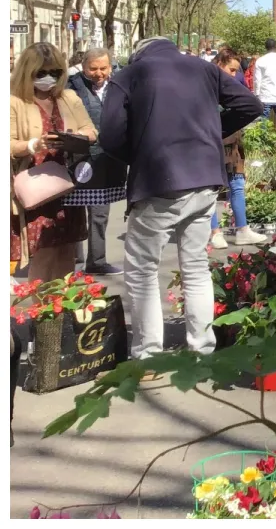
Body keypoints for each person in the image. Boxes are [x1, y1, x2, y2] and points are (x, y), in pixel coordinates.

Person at [99, 37, 262, 363]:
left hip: (159, 179)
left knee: (143, 271)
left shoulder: (130, 74)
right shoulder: (203, 69)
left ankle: (148, 355)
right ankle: (202, 349)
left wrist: (139, 151)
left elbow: (110, 136)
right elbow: (251, 105)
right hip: (205, 179)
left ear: (138, 54)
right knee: (196, 267)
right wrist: (211, 133)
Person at [9, 43, 96, 282]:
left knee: (67, 251)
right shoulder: (15, 102)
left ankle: (62, 303)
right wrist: (33, 145)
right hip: (37, 186)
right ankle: (42, 306)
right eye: (41, 73)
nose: (49, 78)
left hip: (67, 184)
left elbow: (90, 130)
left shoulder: (68, 97)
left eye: (55, 72)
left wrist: (75, 137)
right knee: (44, 252)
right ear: (28, 72)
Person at [65, 48, 126, 275]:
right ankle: (72, 259)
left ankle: (96, 261)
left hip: (107, 157)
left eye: (103, 68)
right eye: (93, 69)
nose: (99, 73)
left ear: (110, 66)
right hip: (78, 156)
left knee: (100, 212)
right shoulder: (71, 87)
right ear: (83, 67)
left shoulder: (119, 86)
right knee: (73, 210)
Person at [209, 47, 266, 249]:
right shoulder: (207, 85)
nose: (234, 75)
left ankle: (243, 230)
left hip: (232, 141)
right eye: (231, 70)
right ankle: (215, 232)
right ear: (219, 64)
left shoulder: (232, 85)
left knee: (237, 183)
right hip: (214, 142)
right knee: (211, 188)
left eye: (236, 71)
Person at [253, 38, 276, 128]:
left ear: (266, 47)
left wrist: (257, 94)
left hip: (265, 95)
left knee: (263, 123)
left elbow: (257, 79)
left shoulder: (260, 61)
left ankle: (263, 137)